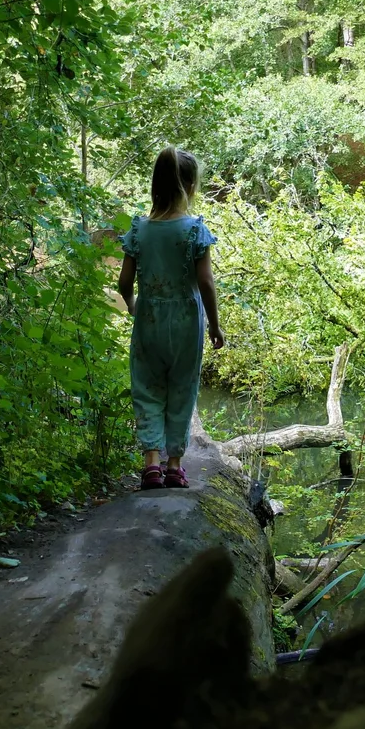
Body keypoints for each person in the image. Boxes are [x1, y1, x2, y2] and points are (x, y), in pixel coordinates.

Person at [117, 146, 224, 490]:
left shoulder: (139, 230)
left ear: (156, 184)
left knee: (147, 387)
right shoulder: (194, 230)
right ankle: (175, 466)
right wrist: (216, 326)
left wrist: (134, 305)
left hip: (149, 318)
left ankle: (151, 463)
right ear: (189, 186)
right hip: (186, 322)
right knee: (181, 388)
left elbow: (123, 283)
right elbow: (205, 283)